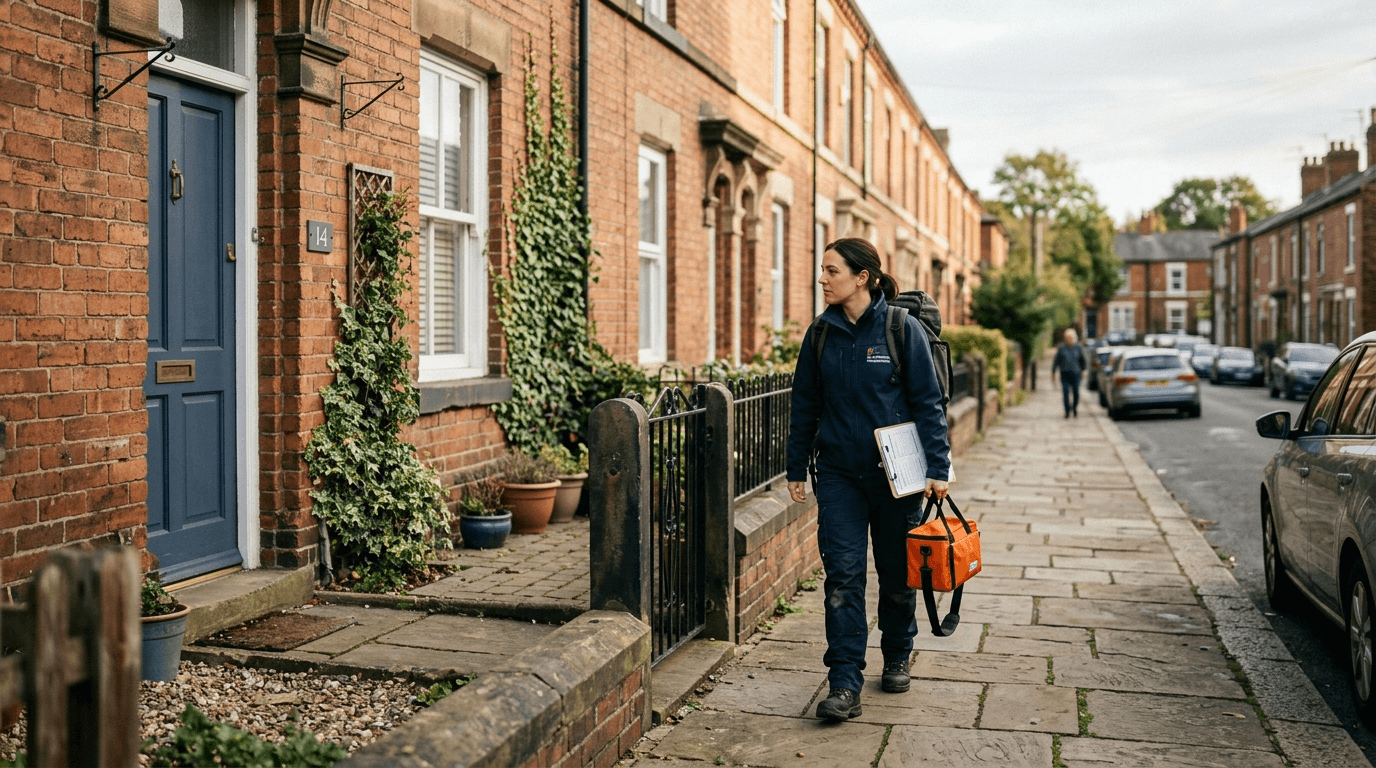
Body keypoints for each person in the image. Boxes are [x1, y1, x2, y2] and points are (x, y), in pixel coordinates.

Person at [786, 237, 952, 722]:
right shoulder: (820, 333)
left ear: (862, 277)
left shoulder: (901, 330)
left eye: (831, 271)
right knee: (843, 575)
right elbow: (805, 406)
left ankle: (897, 651)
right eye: (822, 270)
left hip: (896, 476)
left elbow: (928, 403)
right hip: (839, 474)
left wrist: (938, 468)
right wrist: (797, 466)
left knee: (899, 573)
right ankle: (844, 681)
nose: (822, 279)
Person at [1052, 328, 1083, 418]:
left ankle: (1074, 408)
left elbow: (1082, 360)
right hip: (1064, 374)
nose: (1068, 339)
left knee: (1076, 392)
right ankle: (1067, 411)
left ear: (1074, 338)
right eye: (1066, 337)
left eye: (1069, 337)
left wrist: (1084, 370)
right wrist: (1053, 372)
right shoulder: (1061, 347)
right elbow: (1056, 361)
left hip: (1076, 374)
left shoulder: (1078, 347)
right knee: (1065, 392)